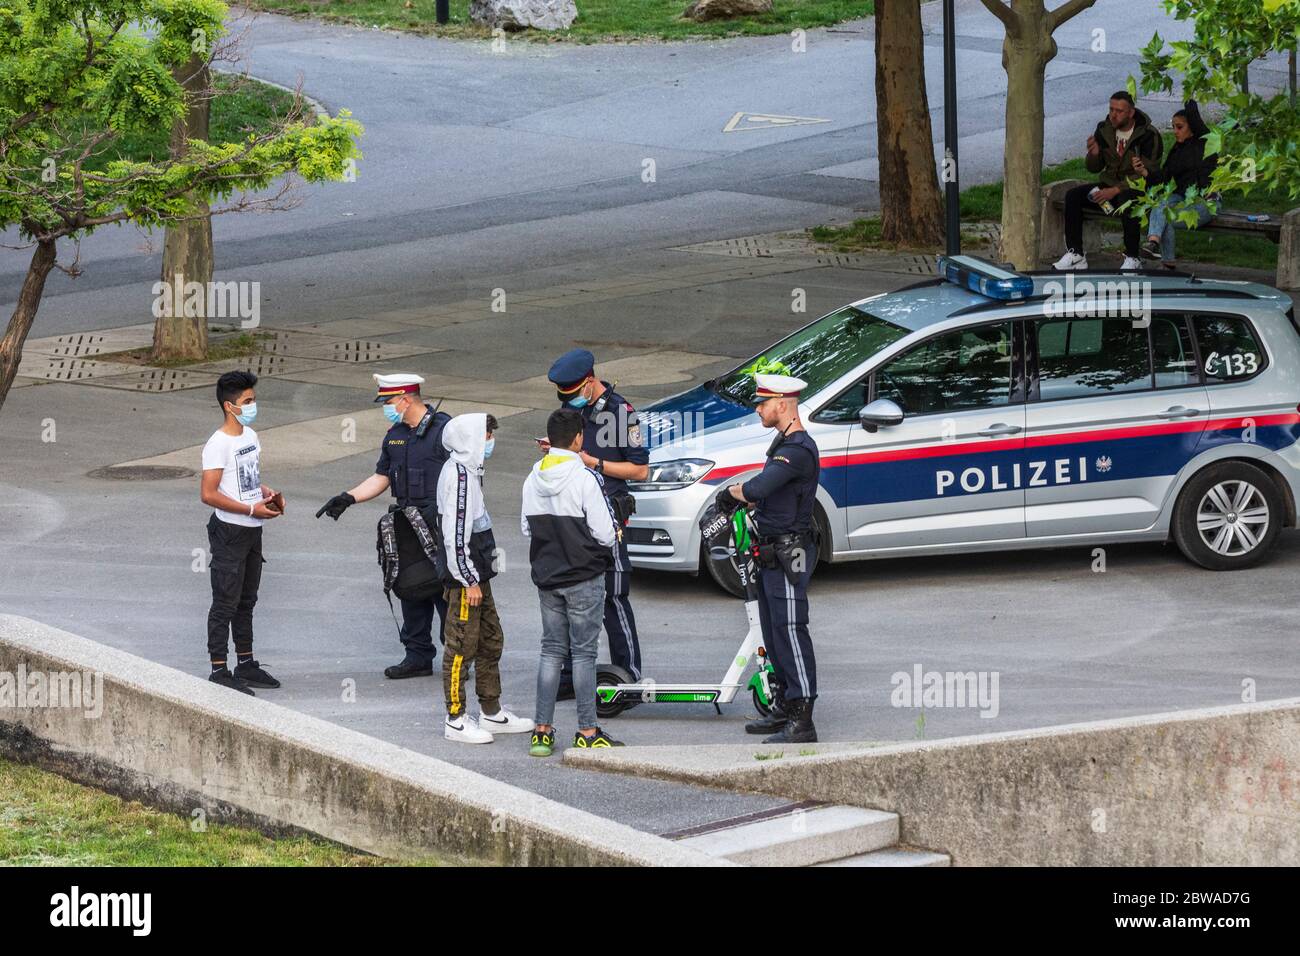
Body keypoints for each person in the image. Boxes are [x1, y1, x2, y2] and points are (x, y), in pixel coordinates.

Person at [315, 373, 451, 679]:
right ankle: (417, 656)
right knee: (410, 586)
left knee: (445, 590)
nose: (386, 408)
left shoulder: (445, 430)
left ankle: (457, 655)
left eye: (389, 402)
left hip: (440, 523)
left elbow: (468, 474)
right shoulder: (395, 435)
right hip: (407, 524)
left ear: (405, 399)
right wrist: (349, 497)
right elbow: (384, 476)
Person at [717, 373, 820, 744]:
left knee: (791, 632)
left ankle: (803, 720)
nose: (758, 408)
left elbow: (760, 487)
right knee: (775, 635)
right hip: (771, 551)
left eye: (763, 403)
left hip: (790, 553)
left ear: (783, 404)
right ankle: (784, 706)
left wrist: (732, 492)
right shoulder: (782, 444)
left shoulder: (797, 450)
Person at [545, 349, 649, 699]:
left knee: (613, 598)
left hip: (608, 515)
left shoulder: (621, 413)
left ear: (590, 382)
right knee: (573, 595)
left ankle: (628, 675)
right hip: (574, 517)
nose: (569, 401)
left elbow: (639, 470)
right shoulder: (573, 409)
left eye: (574, 393)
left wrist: (593, 462)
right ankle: (571, 675)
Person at [521, 408, 624, 756]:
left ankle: (542, 731)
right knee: (583, 654)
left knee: (551, 651)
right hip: (584, 578)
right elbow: (605, 534)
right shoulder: (585, 478)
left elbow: (525, 528)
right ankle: (587, 730)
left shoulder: (532, 477)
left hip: (547, 579)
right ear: (578, 438)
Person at [436, 412, 533, 743]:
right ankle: (456, 719)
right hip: (468, 579)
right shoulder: (460, 477)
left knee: (490, 639)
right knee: (461, 645)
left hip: (478, 575)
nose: (490, 440)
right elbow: (454, 533)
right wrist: (468, 579)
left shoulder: (469, 471)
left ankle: (491, 711)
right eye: (487, 435)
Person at [200, 371, 283, 695]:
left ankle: (245, 663)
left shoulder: (249, 436)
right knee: (225, 601)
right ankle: (219, 668)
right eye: (247, 401)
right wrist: (250, 509)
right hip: (230, 532)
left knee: (247, 600)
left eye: (253, 399)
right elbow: (208, 493)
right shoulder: (217, 444)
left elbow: (248, 478)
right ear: (229, 406)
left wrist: (267, 493)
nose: (253, 405)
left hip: (253, 528)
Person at [1053, 91, 1163, 273]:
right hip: (1108, 189)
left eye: (1119, 111)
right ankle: (1076, 254)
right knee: (1073, 196)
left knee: (1128, 202)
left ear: (1131, 113)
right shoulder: (1104, 129)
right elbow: (1094, 168)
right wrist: (1094, 154)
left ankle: (1133, 257)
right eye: (1111, 109)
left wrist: (1116, 190)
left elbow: (1149, 172)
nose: (1113, 114)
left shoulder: (1148, 135)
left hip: (1137, 190)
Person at [1132, 100, 1218, 268]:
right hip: (1181, 198)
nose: (1175, 132)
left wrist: (1190, 96)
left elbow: (1195, 118)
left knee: (1166, 218)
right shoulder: (1177, 149)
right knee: (1161, 203)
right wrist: (1145, 172)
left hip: (1205, 201)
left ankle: (1167, 262)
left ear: (1192, 127)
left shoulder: (1205, 143)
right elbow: (1165, 176)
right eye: (1173, 127)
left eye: (1180, 127)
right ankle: (1153, 243)